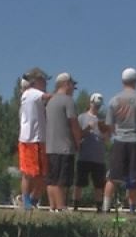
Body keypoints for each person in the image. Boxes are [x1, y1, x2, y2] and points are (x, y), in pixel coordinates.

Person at [104, 67, 136, 214]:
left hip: (119, 140)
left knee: (113, 176)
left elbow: (109, 125)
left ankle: (105, 208)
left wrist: (117, 134)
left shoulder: (114, 100)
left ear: (122, 81)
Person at [44, 72, 83, 211]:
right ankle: (61, 207)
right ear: (67, 84)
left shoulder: (50, 101)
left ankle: (53, 207)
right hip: (64, 147)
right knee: (62, 180)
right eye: (72, 85)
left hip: (49, 147)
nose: (73, 89)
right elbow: (73, 123)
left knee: (51, 179)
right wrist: (79, 141)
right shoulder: (68, 101)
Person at [18, 67, 50, 211]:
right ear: (36, 81)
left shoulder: (26, 95)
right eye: (43, 80)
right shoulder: (33, 93)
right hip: (33, 139)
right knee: (34, 174)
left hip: (30, 139)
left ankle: (29, 201)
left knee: (34, 174)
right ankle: (27, 201)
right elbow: (50, 97)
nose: (45, 84)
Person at [74, 92, 108, 211]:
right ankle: (76, 205)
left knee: (99, 184)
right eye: (95, 104)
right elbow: (77, 135)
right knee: (79, 182)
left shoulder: (102, 120)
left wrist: (105, 134)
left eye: (99, 105)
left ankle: (99, 206)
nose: (97, 107)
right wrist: (88, 129)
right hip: (84, 156)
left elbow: (106, 138)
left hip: (99, 157)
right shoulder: (82, 117)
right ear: (90, 103)